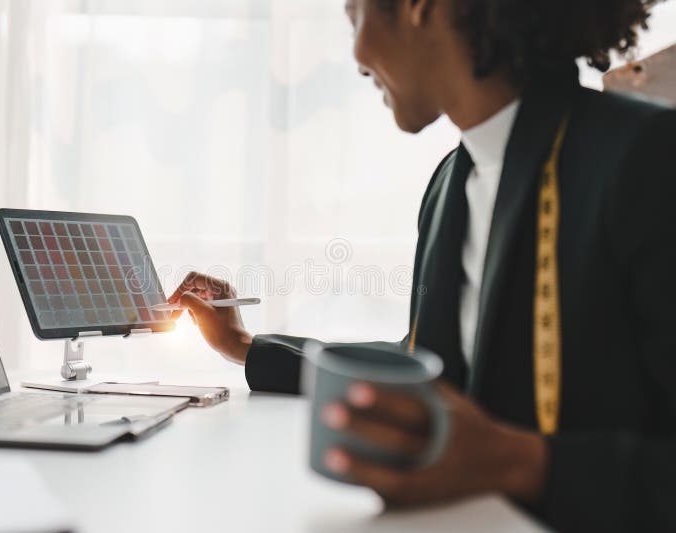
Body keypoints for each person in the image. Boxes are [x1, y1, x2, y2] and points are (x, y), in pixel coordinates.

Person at [169, 0, 676, 530]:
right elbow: (424, 365)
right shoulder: (450, 183)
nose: (358, 59)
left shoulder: (648, 158)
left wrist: (519, 462)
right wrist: (247, 346)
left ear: (418, 8)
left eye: (354, 17)